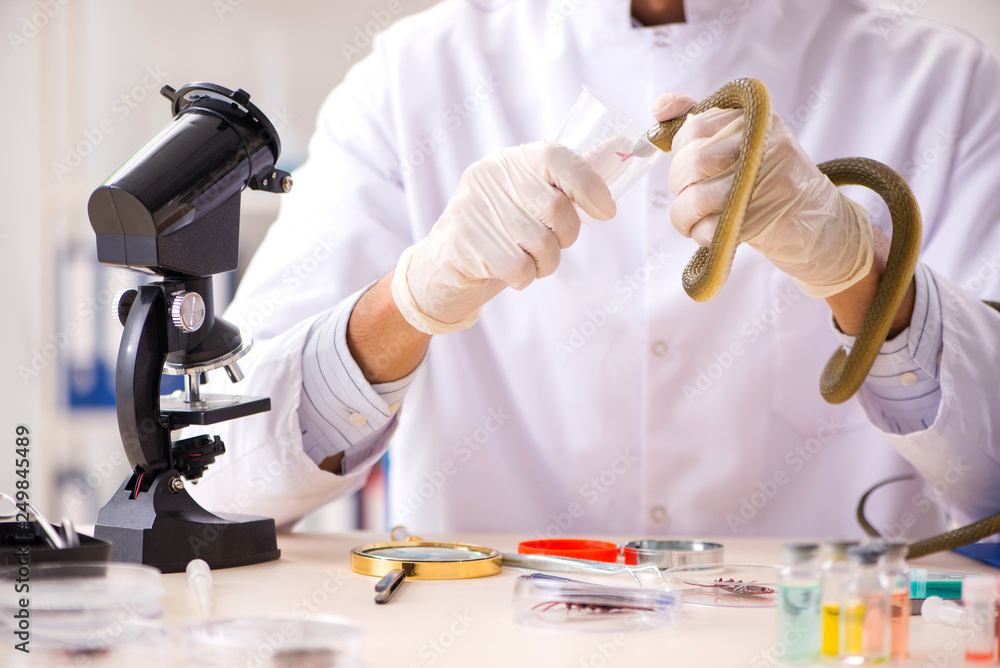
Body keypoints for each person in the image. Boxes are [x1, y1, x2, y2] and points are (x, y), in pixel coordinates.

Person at [189, 0, 1000, 540]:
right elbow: (219, 474)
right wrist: (410, 300)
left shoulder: (949, 85)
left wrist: (863, 276)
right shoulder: (415, 77)